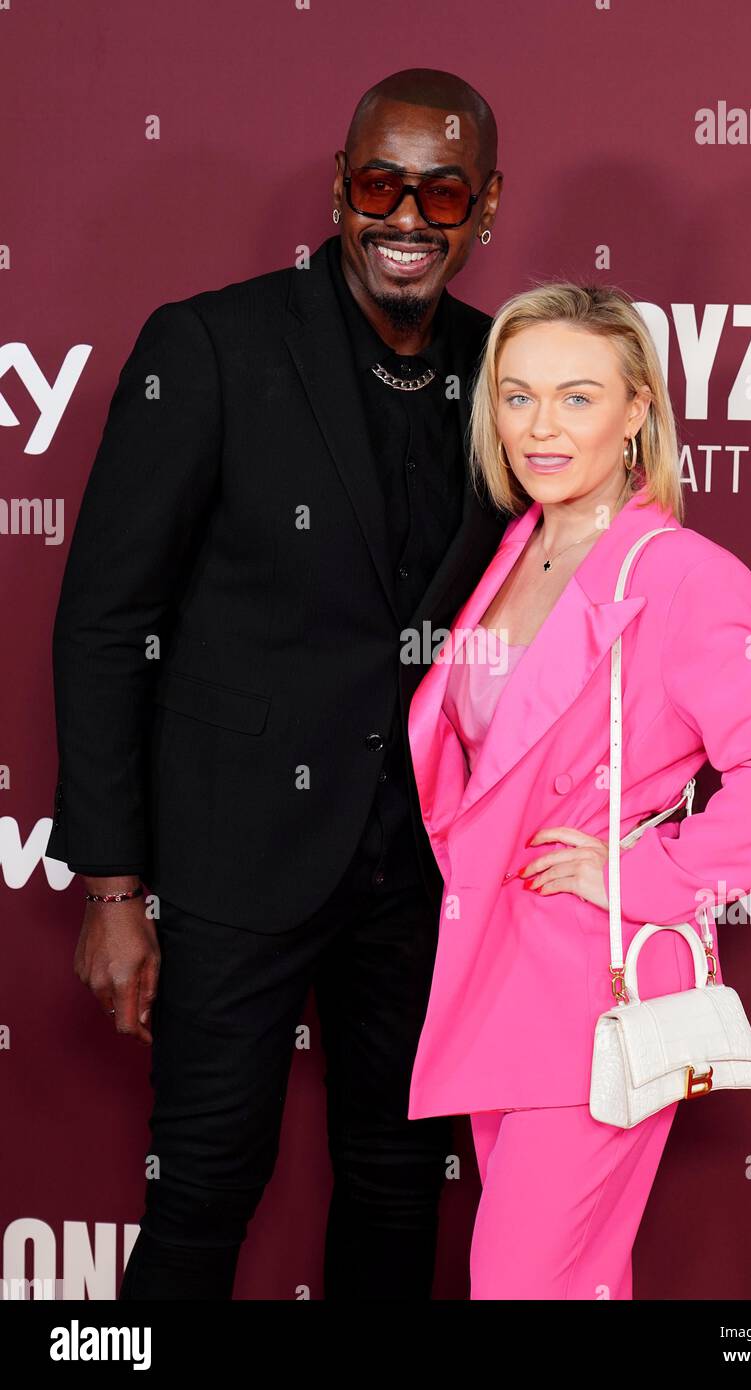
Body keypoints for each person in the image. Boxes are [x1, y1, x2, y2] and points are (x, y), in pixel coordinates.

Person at [46, 67, 506, 1300]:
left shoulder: (503, 372)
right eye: (377, 184)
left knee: (400, 1183)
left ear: (484, 209)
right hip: (231, 848)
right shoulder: (208, 345)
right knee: (203, 1182)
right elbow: (104, 620)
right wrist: (112, 886)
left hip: (420, 867)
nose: (406, 217)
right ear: (339, 191)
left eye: (440, 190)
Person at [405, 282, 751, 1300]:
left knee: (521, 1284)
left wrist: (646, 870)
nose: (538, 427)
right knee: (562, 1280)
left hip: (592, 986)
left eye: (576, 397)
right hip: (490, 973)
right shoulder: (513, 549)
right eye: (516, 397)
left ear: (638, 409)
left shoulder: (683, 575)